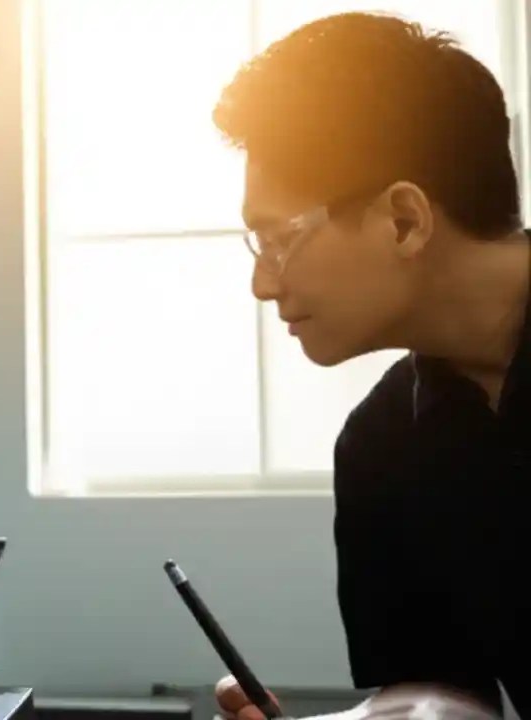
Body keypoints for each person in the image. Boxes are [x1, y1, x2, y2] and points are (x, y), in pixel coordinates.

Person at [208, 11, 529, 720]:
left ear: (405, 220)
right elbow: (446, 695)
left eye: (277, 239)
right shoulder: (382, 447)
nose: (262, 283)